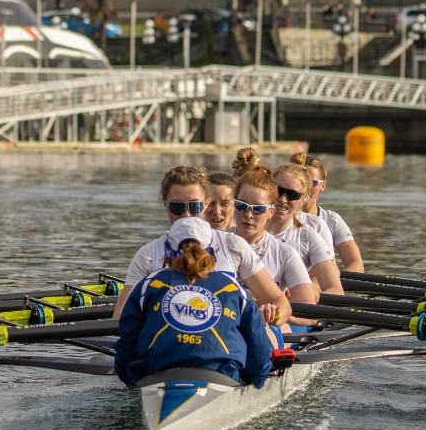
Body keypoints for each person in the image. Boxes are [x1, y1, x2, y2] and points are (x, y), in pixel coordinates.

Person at [114, 165, 292, 325]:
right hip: (167, 348)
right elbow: (120, 318)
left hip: (224, 344)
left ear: (206, 204)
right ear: (165, 205)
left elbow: (278, 299)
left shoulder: (232, 246)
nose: (186, 215)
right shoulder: (148, 255)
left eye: (195, 206)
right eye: (177, 207)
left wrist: (274, 315)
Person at [113, 217, 273, 389]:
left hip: (154, 378)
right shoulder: (232, 288)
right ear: (211, 252)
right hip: (222, 378)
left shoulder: (149, 284)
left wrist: (128, 377)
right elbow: (260, 350)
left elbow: (127, 339)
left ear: (167, 252)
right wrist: (256, 379)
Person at [226, 160, 318, 308]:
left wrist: (275, 315)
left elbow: (310, 316)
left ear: (271, 212)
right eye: (242, 206)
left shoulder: (285, 254)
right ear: (233, 205)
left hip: (267, 326)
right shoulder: (214, 243)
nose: (248, 215)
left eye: (258, 209)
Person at [263, 149, 343, 296]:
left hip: (289, 311)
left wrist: (307, 292)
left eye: (292, 195)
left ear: (304, 198)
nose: (282, 199)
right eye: (278, 190)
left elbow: (336, 291)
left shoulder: (309, 236)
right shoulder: (244, 224)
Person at [295, 153, 364, 273]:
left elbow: (355, 264)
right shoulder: (273, 217)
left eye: (312, 182)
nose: (305, 188)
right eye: (300, 182)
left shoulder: (332, 220)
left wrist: (332, 281)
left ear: (323, 186)